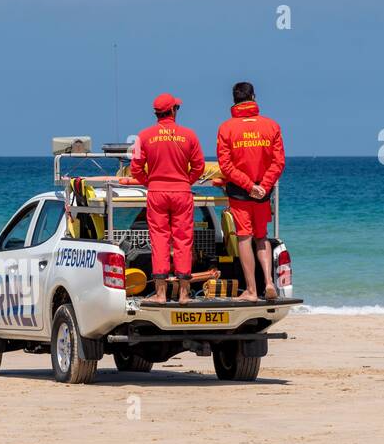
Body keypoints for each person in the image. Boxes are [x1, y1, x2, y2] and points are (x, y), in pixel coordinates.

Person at [122, 93, 207, 304]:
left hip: (157, 192)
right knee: (183, 240)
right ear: (172, 111)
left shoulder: (143, 136)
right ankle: (184, 294)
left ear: (157, 113)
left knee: (159, 240)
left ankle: (160, 294)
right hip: (182, 192)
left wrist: (150, 182)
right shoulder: (189, 135)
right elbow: (199, 167)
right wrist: (185, 181)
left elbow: (136, 168)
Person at [215, 82, 285, 301]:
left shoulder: (226, 128)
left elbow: (226, 165)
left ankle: (252, 291)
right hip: (263, 192)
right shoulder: (271, 126)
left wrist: (248, 185)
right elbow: (278, 161)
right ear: (253, 97)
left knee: (244, 238)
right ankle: (269, 282)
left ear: (234, 100)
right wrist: (263, 185)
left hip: (240, 191)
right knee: (262, 236)